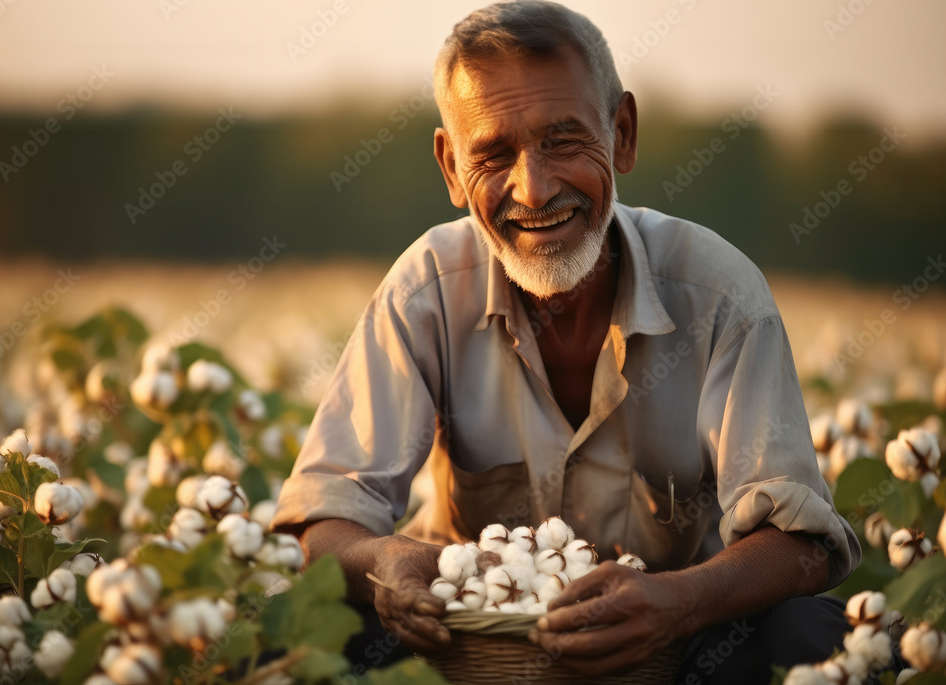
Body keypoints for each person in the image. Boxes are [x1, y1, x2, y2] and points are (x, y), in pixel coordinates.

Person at [272, 2, 861, 681]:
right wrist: (389, 564)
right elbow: (325, 518)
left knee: (814, 635)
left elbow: (804, 543)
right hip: (462, 647)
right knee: (287, 636)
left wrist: (677, 601)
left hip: (671, 651)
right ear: (451, 168)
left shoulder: (717, 295)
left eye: (563, 140)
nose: (536, 188)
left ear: (623, 133)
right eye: (492, 154)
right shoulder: (426, 290)